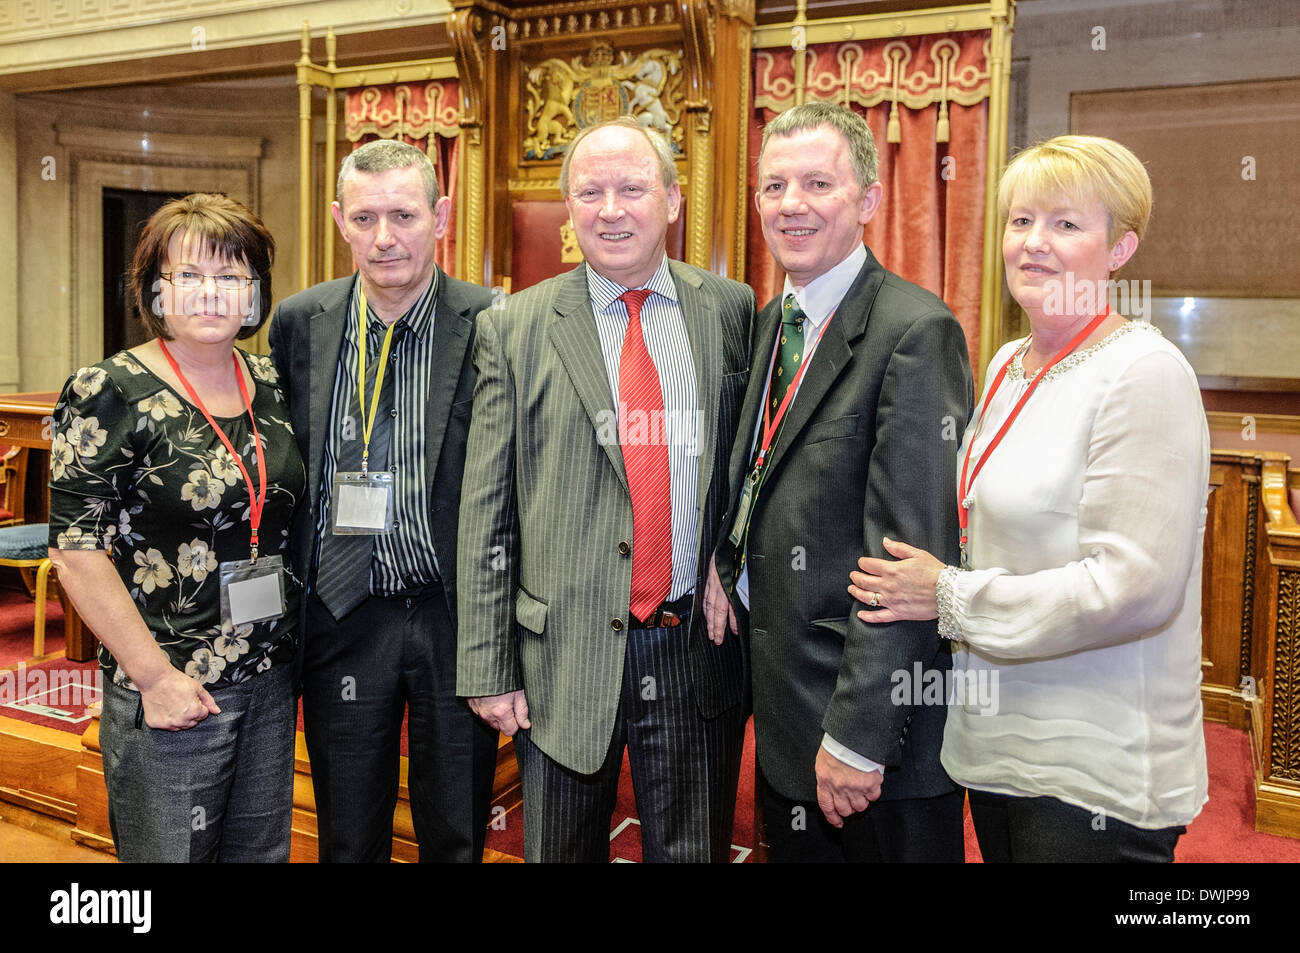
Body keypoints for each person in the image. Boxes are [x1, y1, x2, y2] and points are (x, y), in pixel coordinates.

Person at [848, 134, 1208, 862]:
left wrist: (947, 595)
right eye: (1020, 221)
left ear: (1121, 248)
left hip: (1095, 768)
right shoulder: (1012, 361)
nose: (1035, 243)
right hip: (1000, 742)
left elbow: (1132, 588)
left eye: (1066, 224)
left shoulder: (1144, 374)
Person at [457, 117, 755, 863]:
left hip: (693, 649)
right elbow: (486, 508)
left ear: (674, 200)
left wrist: (736, 565)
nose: (611, 208)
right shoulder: (515, 325)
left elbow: (754, 467)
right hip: (560, 657)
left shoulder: (732, 308)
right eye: (589, 192)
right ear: (569, 211)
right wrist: (488, 667)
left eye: (632, 188)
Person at [707, 102, 973, 862]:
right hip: (786, 707)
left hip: (871, 744)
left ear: (869, 200)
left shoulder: (915, 333)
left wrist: (857, 738)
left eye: (817, 183)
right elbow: (762, 475)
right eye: (773, 186)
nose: (791, 205)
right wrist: (730, 561)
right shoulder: (767, 324)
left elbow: (908, 562)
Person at [49, 193, 303, 862]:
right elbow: (76, 552)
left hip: (270, 671)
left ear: (255, 294)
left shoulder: (273, 384)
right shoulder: (108, 389)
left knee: (260, 852)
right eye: (188, 275)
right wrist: (154, 677)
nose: (211, 293)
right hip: (170, 680)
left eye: (231, 275)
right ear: (156, 292)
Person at [268, 139, 497, 862]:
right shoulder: (299, 322)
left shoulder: (495, 320)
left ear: (442, 215)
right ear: (339, 220)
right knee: (347, 831)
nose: (384, 237)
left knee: (456, 827)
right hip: (343, 610)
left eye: (403, 214)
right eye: (364, 217)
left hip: (452, 611)